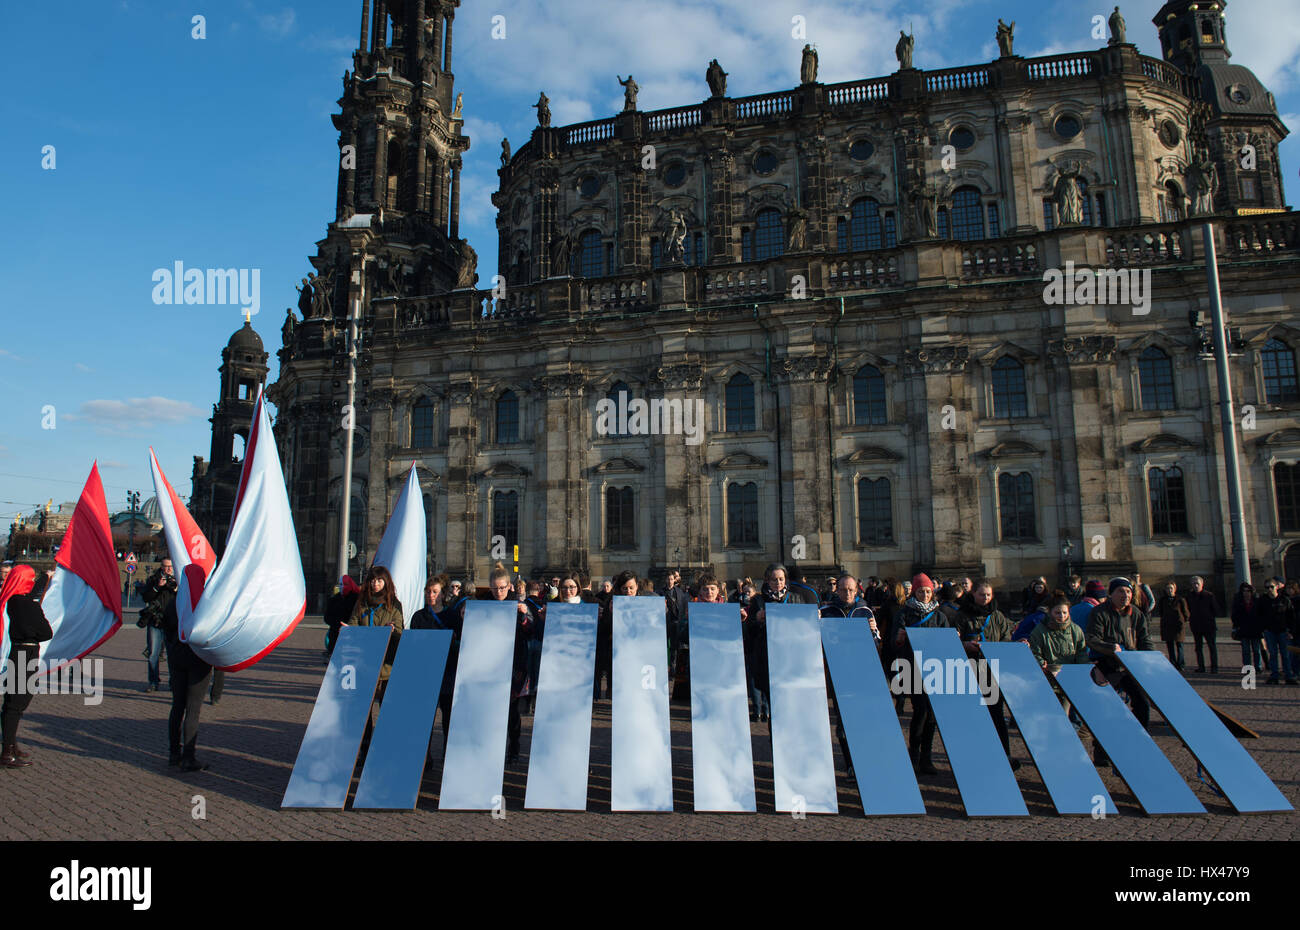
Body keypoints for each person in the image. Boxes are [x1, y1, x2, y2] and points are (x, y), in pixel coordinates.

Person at [1085, 577, 1156, 766]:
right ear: (1111, 594)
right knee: (1107, 709)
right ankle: (1101, 750)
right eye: (1121, 591)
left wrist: (1151, 657)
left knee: (1142, 703)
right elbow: (1092, 638)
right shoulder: (1099, 612)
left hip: (1129, 665)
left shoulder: (1137, 614)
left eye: (1128, 592)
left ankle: (1140, 743)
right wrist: (1110, 648)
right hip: (1107, 663)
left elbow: (1144, 638)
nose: (1125, 595)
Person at [953, 579, 1020, 770]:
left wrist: (997, 647)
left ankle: (1005, 755)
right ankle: (976, 757)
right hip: (971, 668)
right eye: (982, 594)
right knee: (975, 715)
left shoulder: (997, 615)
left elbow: (1006, 638)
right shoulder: (962, 615)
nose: (986, 598)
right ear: (974, 594)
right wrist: (965, 645)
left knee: (997, 714)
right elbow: (953, 639)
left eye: (989, 595)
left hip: (992, 669)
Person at [342, 566, 405, 752]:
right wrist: (348, 630)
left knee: (387, 707)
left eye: (379, 580)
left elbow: (401, 631)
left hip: (387, 665)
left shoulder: (394, 604)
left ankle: (385, 745)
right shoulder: (361, 603)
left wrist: (393, 631)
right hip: (365, 663)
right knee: (363, 708)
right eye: (372, 580)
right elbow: (354, 623)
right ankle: (364, 745)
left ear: (386, 582)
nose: (375, 584)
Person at [893, 573, 948, 775]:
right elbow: (894, 642)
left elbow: (946, 644)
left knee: (932, 716)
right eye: (921, 591)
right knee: (921, 711)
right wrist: (899, 638)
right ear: (914, 592)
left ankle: (927, 756)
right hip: (913, 668)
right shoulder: (904, 614)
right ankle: (914, 754)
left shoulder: (939, 616)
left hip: (934, 670)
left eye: (927, 591)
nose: (925, 595)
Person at [1, 566, 54, 767]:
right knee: (18, 704)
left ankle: (10, 745)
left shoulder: (13, 601)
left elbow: (31, 594)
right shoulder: (29, 606)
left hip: (17, 652)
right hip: (27, 654)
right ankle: (7, 752)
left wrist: (45, 578)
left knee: (11, 702)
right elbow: (46, 633)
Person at [161, 574, 212, 772]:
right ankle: (189, 756)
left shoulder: (174, 603)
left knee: (177, 706)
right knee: (193, 709)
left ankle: (174, 753)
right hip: (198, 660)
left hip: (176, 658)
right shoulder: (205, 605)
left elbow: (166, 628)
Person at [483, 567, 534, 764]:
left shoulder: (519, 604)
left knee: (512, 711)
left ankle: (514, 748)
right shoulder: (483, 605)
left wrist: (522, 615)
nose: (499, 592)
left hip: (514, 664)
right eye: (495, 589)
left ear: (509, 586)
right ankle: (493, 747)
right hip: (490, 665)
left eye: (502, 588)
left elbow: (530, 630)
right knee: (491, 709)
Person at [410, 574, 460, 749]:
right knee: (424, 718)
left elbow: (460, 646)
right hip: (426, 673)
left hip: (447, 672)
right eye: (428, 591)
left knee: (448, 716)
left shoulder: (452, 617)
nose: (431, 595)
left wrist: (454, 641)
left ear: (442, 594)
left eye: (435, 592)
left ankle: (447, 752)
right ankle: (425, 756)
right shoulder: (418, 617)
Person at [1029, 595, 1090, 717]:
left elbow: (1081, 652)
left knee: (1064, 714)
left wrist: (1082, 669)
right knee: (1047, 714)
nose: (1061, 616)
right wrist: (1042, 664)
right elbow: (1035, 652)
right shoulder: (1040, 631)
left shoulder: (1075, 630)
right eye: (1057, 613)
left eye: (1064, 613)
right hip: (1047, 679)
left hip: (1068, 679)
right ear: (1050, 612)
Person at [139, 559, 177, 692]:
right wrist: (157, 587)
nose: (168, 570)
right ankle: (153, 681)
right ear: (161, 567)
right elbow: (146, 598)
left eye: (170, 567)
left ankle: (173, 682)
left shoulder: (178, 579)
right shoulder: (153, 579)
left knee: (173, 654)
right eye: (165, 567)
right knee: (153, 654)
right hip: (155, 621)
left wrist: (176, 587)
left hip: (172, 623)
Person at [1258, 578, 1297, 685]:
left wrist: (1290, 631)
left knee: (1285, 654)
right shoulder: (1263, 601)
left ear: (1277, 587)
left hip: (1283, 631)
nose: (1269, 589)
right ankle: (1274, 675)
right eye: (1267, 587)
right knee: (1273, 654)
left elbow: (1291, 617)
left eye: (1271, 587)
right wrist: (1263, 628)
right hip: (1270, 631)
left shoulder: (1284, 600)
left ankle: (1288, 675)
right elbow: (1259, 615)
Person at [1186, 575, 1221, 673]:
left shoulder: (1209, 595)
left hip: (1208, 625)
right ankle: (1201, 667)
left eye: (1197, 583)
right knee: (1198, 648)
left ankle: (1214, 667)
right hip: (1196, 625)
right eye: (1194, 584)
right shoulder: (1189, 596)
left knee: (1212, 647)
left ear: (1202, 584)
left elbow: (1216, 610)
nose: (1196, 585)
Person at [323, 575, 360, 662]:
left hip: (350, 634)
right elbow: (327, 617)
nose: (342, 587)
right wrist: (337, 624)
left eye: (344, 584)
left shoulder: (357, 599)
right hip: (335, 633)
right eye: (340, 584)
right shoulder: (334, 599)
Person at [1155, 581, 1189, 671]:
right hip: (1167, 625)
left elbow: (1185, 612)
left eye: (1171, 588)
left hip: (1178, 625)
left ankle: (1181, 664)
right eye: (1168, 588)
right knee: (1170, 646)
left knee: (1179, 646)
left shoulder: (1180, 599)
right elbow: (1161, 611)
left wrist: (1183, 620)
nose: (1169, 590)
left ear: (1175, 589)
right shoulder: (1163, 600)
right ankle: (1172, 663)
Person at [1231, 583, 1263, 672]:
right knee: (1246, 650)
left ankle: (1258, 667)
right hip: (1243, 629)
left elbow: (1261, 615)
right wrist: (1236, 626)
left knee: (1256, 650)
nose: (1246, 593)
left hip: (1255, 629)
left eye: (1248, 591)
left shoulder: (1257, 602)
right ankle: (1247, 667)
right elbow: (1234, 616)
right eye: (1244, 591)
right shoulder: (1239, 603)